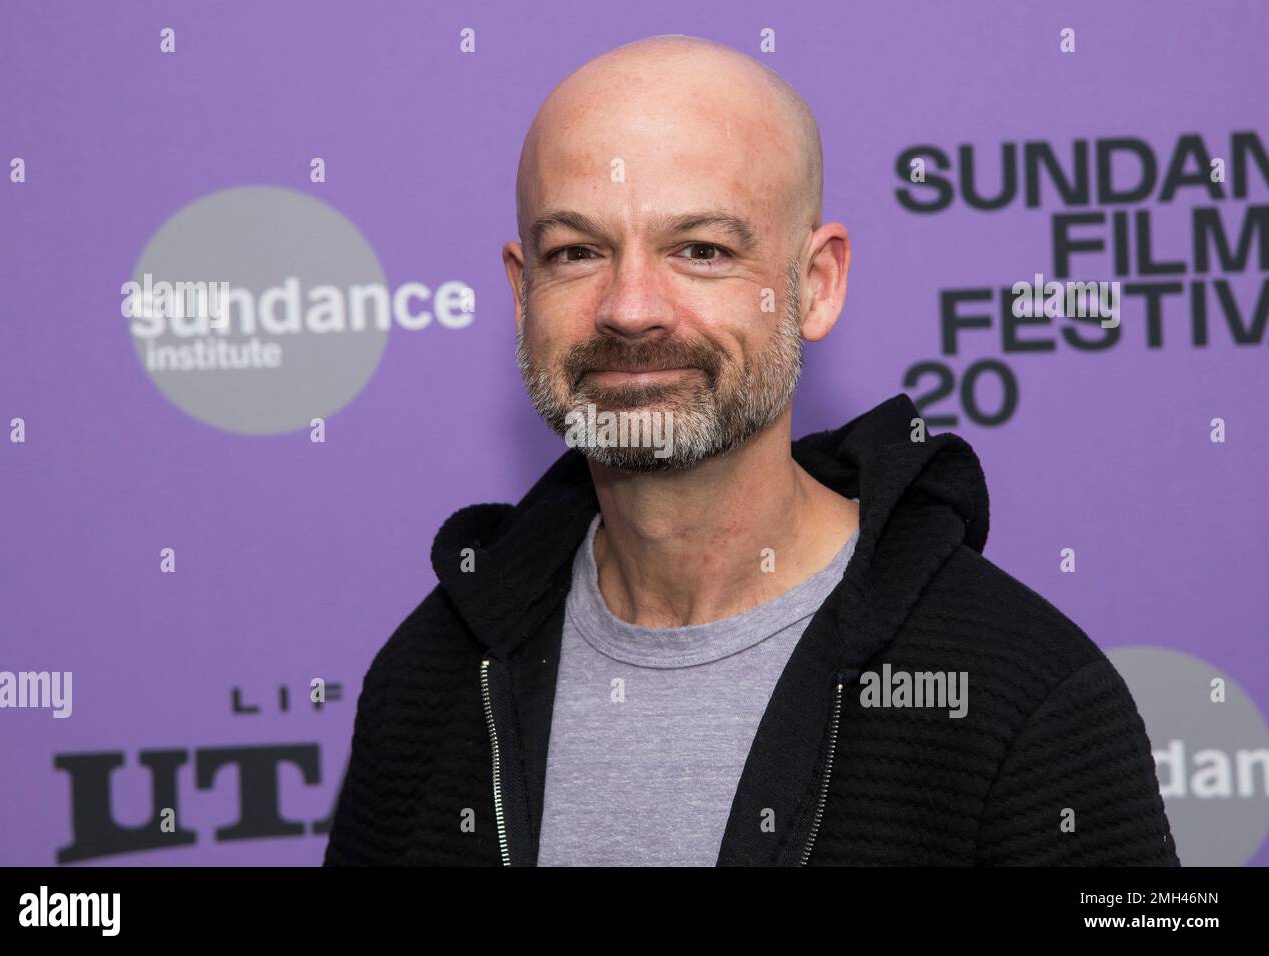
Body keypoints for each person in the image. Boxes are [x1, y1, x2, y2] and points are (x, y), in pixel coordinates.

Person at [324, 34, 1178, 866]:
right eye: (577, 252)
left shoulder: (1021, 698)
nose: (629, 308)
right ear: (523, 293)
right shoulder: (432, 675)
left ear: (815, 285)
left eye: (701, 250)